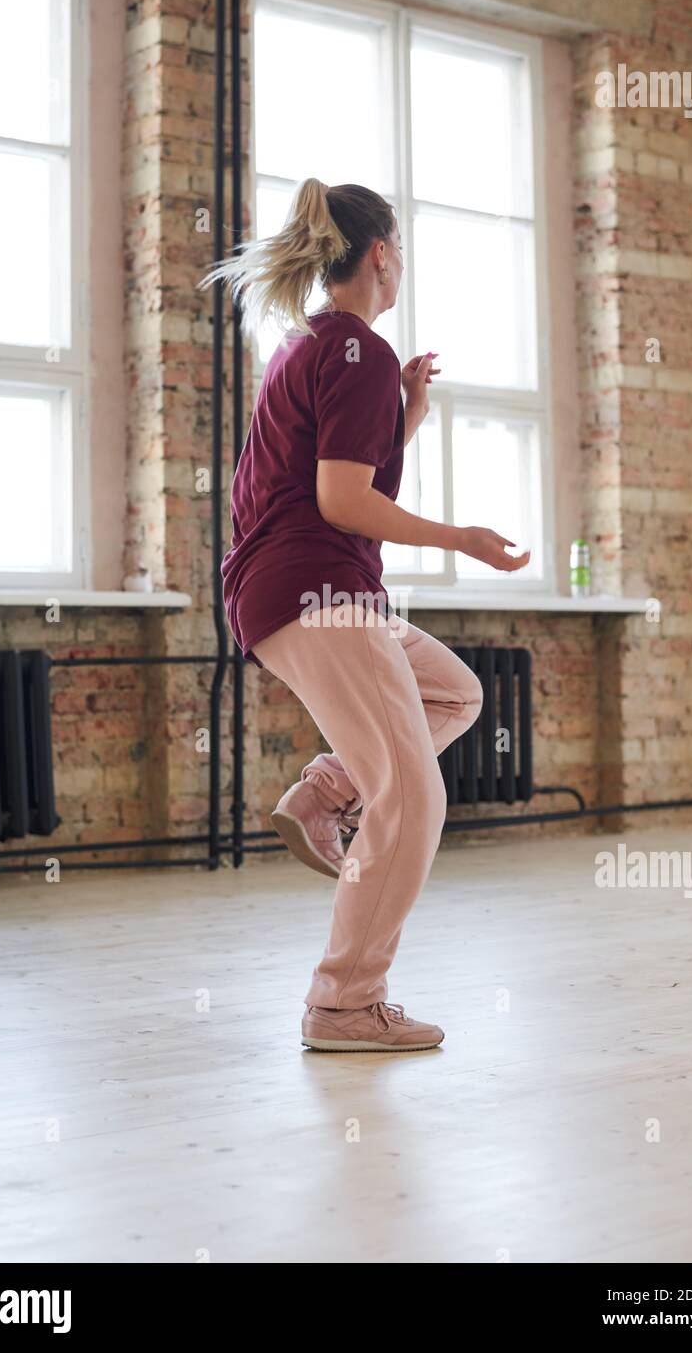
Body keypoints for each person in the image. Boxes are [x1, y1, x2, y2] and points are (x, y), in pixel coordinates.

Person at [199, 178, 530, 1052]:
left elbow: (336, 483)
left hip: (306, 588)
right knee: (413, 798)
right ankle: (344, 1002)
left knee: (454, 696)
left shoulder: (314, 344)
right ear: (381, 255)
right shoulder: (357, 352)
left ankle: (322, 791)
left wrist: (404, 421)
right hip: (317, 590)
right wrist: (459, 536)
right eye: (401, 251)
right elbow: (341, 501)